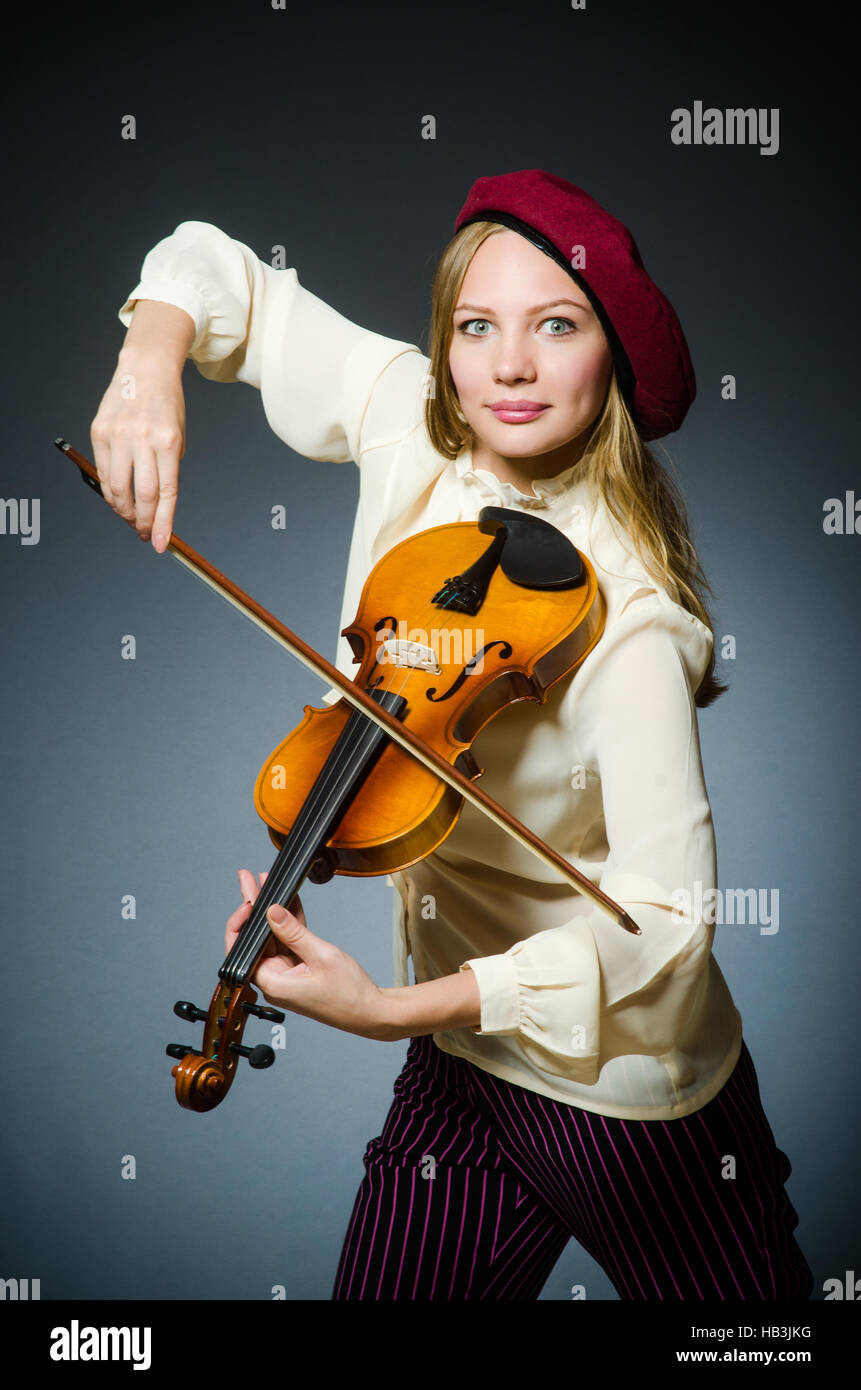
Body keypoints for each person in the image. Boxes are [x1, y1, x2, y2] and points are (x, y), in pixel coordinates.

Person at [91, 168, 814, 1301]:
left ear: (610, 357)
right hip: (461, 1065)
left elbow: (668, 930)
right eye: (477, 326)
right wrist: (150, 363)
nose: (508, 367)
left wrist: (389, 1012)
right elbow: (220, 268)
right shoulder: (411, 424)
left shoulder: (628, 621)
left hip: (625, 1098)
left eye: (556, 327)